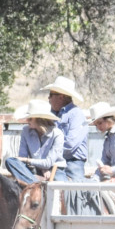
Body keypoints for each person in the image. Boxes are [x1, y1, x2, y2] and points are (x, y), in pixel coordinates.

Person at [43, 76, 91, 214]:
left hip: (72, 164)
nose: (48, 98)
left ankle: (76, 220)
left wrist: (50, 154)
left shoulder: (76, 115)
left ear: (61, 97)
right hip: (54, 161)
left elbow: (70, 145)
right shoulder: (51, 115)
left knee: (74, 197)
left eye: (51, 95)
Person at [5, 99, 65, 184]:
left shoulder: (57, 134)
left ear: (39, 119)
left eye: (30, 118)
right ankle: (35, 183)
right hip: (35, 168)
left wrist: (27, 160)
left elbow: (48, 163)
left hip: (55, 170)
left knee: (60, 186)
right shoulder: (26, 131)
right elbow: (20, 159)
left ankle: (32, 182)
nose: (27, 121)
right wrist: (42, 168)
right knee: (10, 161)